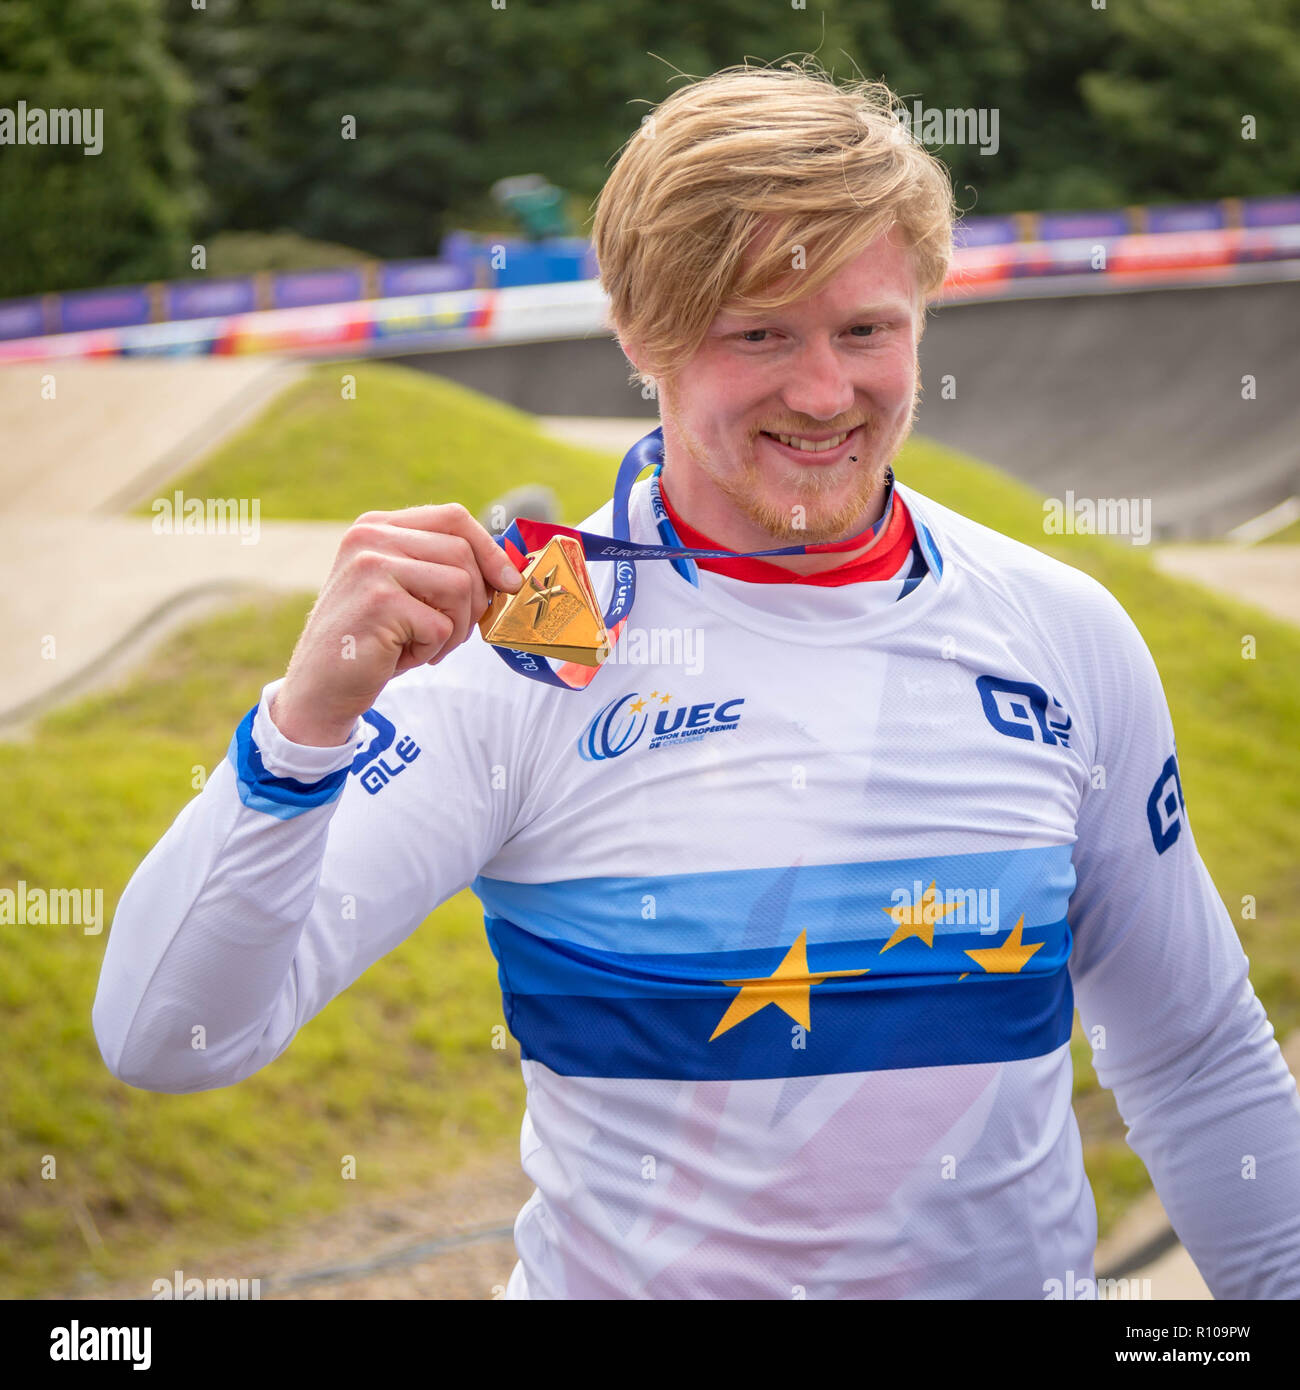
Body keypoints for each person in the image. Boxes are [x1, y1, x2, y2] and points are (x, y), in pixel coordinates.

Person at [92, 61, 1300, 1300]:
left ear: (924, 313)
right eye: (758, 333)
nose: (825, 393)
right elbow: (169, 1038)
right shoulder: (518, 650)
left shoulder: (1062, 631)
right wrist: (303, 727)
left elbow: (1195, 1056)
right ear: (639, 330)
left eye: (866, 330)